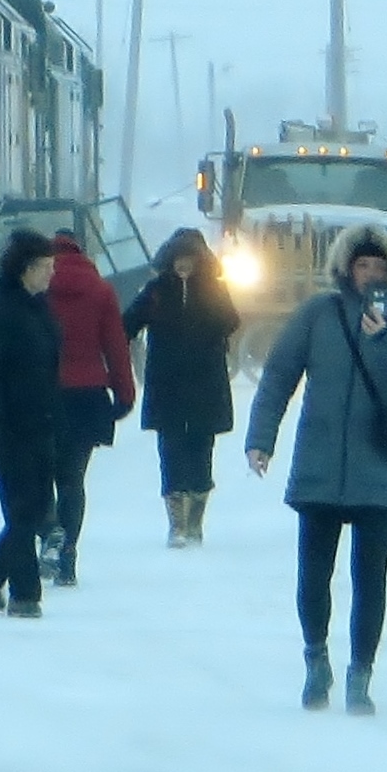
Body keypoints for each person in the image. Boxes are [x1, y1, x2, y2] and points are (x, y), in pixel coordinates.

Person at [244, 224, 387, 713]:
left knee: (370, 578)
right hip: (320, 464)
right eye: (362, 265)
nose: (370, 274)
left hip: (382, 469)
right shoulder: (317, 313)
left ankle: (360, 676)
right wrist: (260, 440)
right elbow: (279, 376)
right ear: (346, 268)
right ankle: (315, 661)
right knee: (314, 572)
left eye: (379, 267)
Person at [122, 228, 242, 546]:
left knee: (201, 449)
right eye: (178, 259)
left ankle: (195, 521)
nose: (183, 265)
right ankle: (176, 523)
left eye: (189, 259)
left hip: (206, 382)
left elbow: (231, 321)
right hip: (167, 384)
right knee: (170, 450)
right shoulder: (156, 291)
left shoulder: (216, 290)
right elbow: (128, 323)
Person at [0, 230, 62, 618]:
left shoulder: (38, 308)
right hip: (6, 427)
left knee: (38, 507)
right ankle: (25, 594)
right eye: (45, 267)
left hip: (41, 422)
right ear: (25, 268)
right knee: (23, 507)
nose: (51, 275)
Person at [41, 230, 136, 586]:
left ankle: (48, 534)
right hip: (87, 395)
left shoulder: (37, 289)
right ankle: (67, 558)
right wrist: (124, 394)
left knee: (39, 477)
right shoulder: (100, 290)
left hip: (43, 393)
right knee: (71, 479)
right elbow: (115, 345)